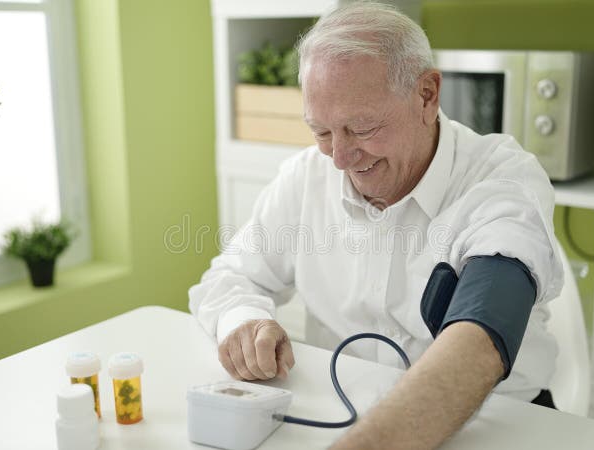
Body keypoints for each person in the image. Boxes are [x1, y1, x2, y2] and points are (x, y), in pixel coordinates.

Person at [190, 2, 563, 448]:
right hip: (346, 407)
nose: (341, 158)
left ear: (427, 95)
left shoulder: (502, 180)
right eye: (322, 131)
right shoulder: (306, 176)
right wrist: (245, 321)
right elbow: (231, 276)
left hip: (496, 423)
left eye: (362, 128)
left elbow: (480, 337)